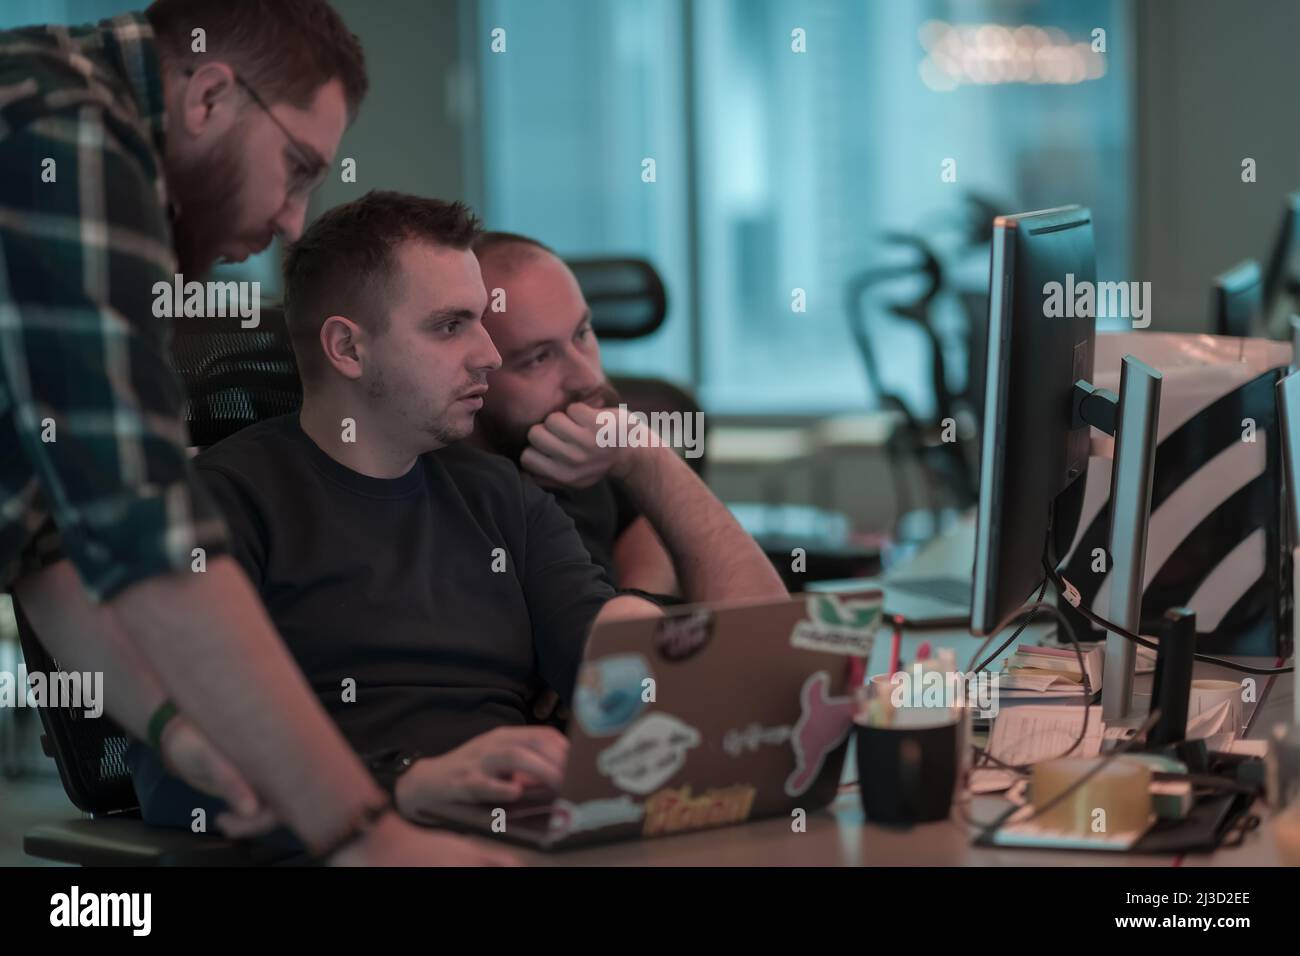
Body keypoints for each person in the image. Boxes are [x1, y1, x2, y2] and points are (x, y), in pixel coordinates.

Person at [1, 1, 509, 865]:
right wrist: (367, 833)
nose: (293, 220)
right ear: (207, 98)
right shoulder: (74, 132)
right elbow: (145, 534)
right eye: (298, 167)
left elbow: (46, 545)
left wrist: (175, 728)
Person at [131, 191, 664, 835]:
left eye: (482, 321)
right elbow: (175, 780)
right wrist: (403, 786)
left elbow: (607, 662)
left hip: (514, 836)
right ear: (348, 350)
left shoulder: (502, 497)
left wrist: (648, 641)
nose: (489, 354)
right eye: (449, 326)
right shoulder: (222, 507)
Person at [471, 231, 786, 604]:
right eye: (539, 358)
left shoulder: (575, 446)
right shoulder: (480, 511)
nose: (588, 377)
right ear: (468, 375)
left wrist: (638, 596)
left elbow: (641, 526)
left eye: (583, 334)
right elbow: (756, 623)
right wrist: (646, 458)